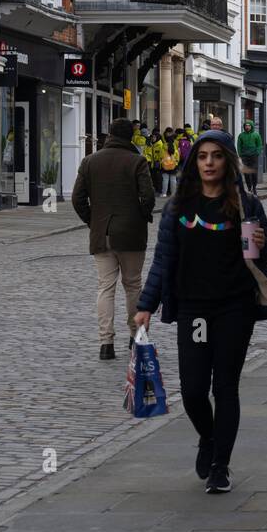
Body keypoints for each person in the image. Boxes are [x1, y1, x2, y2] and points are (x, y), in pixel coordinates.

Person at [135, 130, 267, 494]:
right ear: (195, 162)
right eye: (203, 156)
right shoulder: (178, 207)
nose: (208, 162)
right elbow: (163, 260)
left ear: (227, 161)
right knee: (192, 390)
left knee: (225, 387)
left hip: (235, 306)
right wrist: (146, 304)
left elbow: (265, 262)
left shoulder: (246, 204)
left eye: (216, 156)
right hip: (194, 308)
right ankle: (208, 438)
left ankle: (221, 465)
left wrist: (261, 245)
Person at [72, 118, 157, 361]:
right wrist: (141, 215)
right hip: (131, 233)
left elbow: (77, 199)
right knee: (132, 285)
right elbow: (148, 196)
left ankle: (106, 343)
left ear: (109, 135)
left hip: (102, 233)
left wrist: (93, 221)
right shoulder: (137, 161)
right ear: (130, 136)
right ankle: (135, 336)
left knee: (105, 287)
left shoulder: (90, 161)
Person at [236, 119, 262, 194]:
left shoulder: (256, 135)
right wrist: (240, 154)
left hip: (253, 156)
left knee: (254, 172)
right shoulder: (241, 136)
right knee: (246, 172)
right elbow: (239, 145)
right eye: (246, 126)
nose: (247, 127)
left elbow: (259, 145)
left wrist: (257, 152)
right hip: (244, 156)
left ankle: (254, 187)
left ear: (251, 126)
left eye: (249, 126)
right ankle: (249, 187)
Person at [159, 127, 180, 196]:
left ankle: (164, 193)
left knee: (165, 179)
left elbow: (161, 155)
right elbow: (177, 155)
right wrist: (176, 162)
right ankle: (173, 193)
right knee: (173, 179)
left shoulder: (164, 146)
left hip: (165, 164)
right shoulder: (174, 146)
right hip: (173, 164)